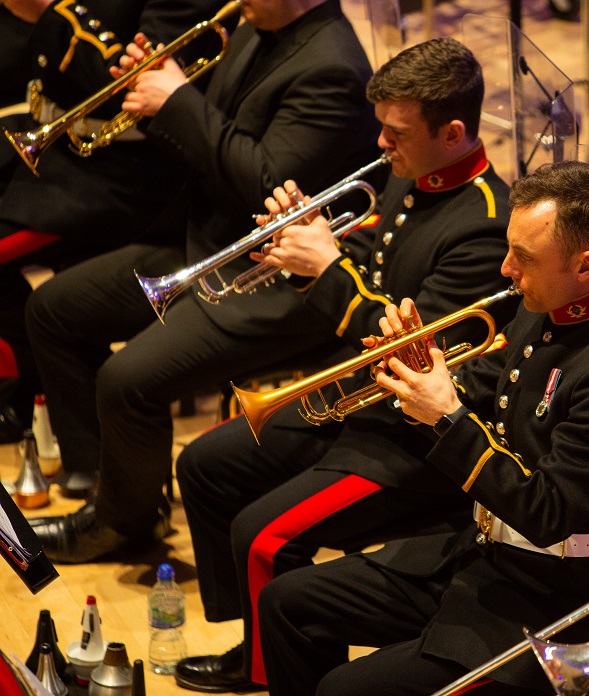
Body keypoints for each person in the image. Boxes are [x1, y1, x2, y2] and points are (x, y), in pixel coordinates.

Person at [256, 160, 589, 696]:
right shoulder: (548, 305)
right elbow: (482, 387)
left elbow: (547, 512)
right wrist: (418, 368)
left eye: (523, 257)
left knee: (343, 690)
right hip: (478, 554)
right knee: (287, 603)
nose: (506, 268)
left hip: (548, 600)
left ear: (584, 265)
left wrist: (446, 417)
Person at [171, 37, 516, 693]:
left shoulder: (482, 227)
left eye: (395, 132)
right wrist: (307, 246)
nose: (379, 144)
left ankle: (279, 676)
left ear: (452, 133)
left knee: (263, 537)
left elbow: (410, 350)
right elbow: (378, 277)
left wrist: (325, 269)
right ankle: (259, 646)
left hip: (408, 443)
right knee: (204, 465)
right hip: (353, 406)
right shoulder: (411, 176)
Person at [25, 0, 381, 560]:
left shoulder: (334, 68)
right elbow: (210, 136)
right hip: (207, 239)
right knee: (53, 311)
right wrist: (150, 100)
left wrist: (177, 101)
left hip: (273, 275)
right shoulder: (255, 27)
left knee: (126, 380)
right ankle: (110, 485)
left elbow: (269, 184)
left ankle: (121, 524)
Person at [0, 0, 226, 452]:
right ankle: (35, 397)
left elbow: (130, 87)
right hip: (49, 150)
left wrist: (50, 10)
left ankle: (42, 406)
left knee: (55, 310)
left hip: (119, 177)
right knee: (49, 315)